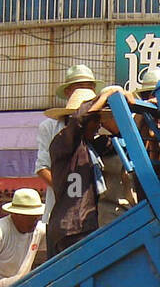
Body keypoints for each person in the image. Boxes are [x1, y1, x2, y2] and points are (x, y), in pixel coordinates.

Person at [45, 83, 124, 256]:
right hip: (71, 227)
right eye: (96, 120)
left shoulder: (92, 146)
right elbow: (79, 119)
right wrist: (103, 97)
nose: (98, 125)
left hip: (84, 225)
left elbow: (124, 140)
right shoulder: (63, 142)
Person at [34, 64, 97, 238]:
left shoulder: (101, 124)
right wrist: (68, 194)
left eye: (89, 87)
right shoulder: (50, 128)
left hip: (93, 215)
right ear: (68, 91)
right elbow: (42, 167)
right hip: (59, 214)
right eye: (79, 87)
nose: (84, 91)